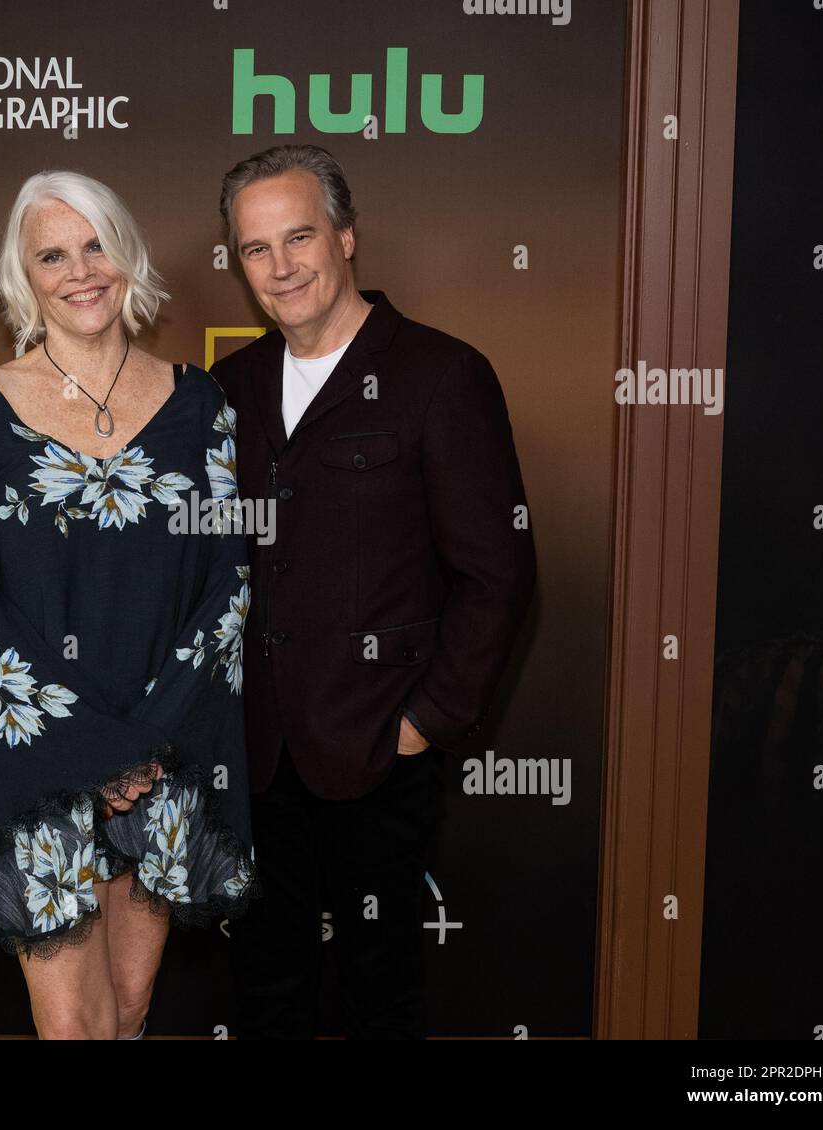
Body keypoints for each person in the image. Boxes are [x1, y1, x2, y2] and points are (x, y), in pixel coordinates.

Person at [210, 143, 536, 1039]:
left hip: (379, 754)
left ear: (347, 237)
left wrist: (423, 723)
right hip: (256, 755)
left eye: (300, 236)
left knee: (378, 992)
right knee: (266, 987)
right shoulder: (226, 389)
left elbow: (497, 573)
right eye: (256, 249)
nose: (282, 267)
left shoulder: (440, 376)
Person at [0, 170, 258, 1040]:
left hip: (170, 745)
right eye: (52, 254)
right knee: (73, 1024)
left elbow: (229, 581)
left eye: (95, 244)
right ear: (23, 278)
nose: (80, 270)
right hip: (37, 756)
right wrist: (96, 753)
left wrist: (148, 748)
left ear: (127, 255)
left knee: (128, 1009)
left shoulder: (202, 406)